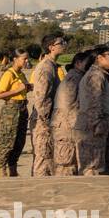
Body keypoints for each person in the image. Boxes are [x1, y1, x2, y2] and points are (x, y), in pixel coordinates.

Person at [73, 47, 109, 175]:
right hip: (91, 127)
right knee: (92, 168)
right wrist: (98, 124)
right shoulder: (96, 76)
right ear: (99, 58)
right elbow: (94, 102)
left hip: (93, 125)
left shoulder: (99, 74)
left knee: (95, 167)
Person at [27, 34, 65, 176]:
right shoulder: (46, 68)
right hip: (44, 122)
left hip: (50, 120)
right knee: (43, 161)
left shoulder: (52, 66)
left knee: (49, 161)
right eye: (61, 43)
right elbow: (41, 98)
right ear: (51, 47)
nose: (64, 44)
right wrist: (48, 120)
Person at [0, 48, 33, 176]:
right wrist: (17, 91)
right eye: (24, 59)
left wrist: (27, 88)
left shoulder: (21, 74)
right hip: (11, 111)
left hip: (22, 108)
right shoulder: (9, 74)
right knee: (8, 141)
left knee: (19, 141)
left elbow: (21, 89)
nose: (27, 61)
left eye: (27, 58)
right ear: (15, 59)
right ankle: (0, 170)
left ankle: (13, 169)